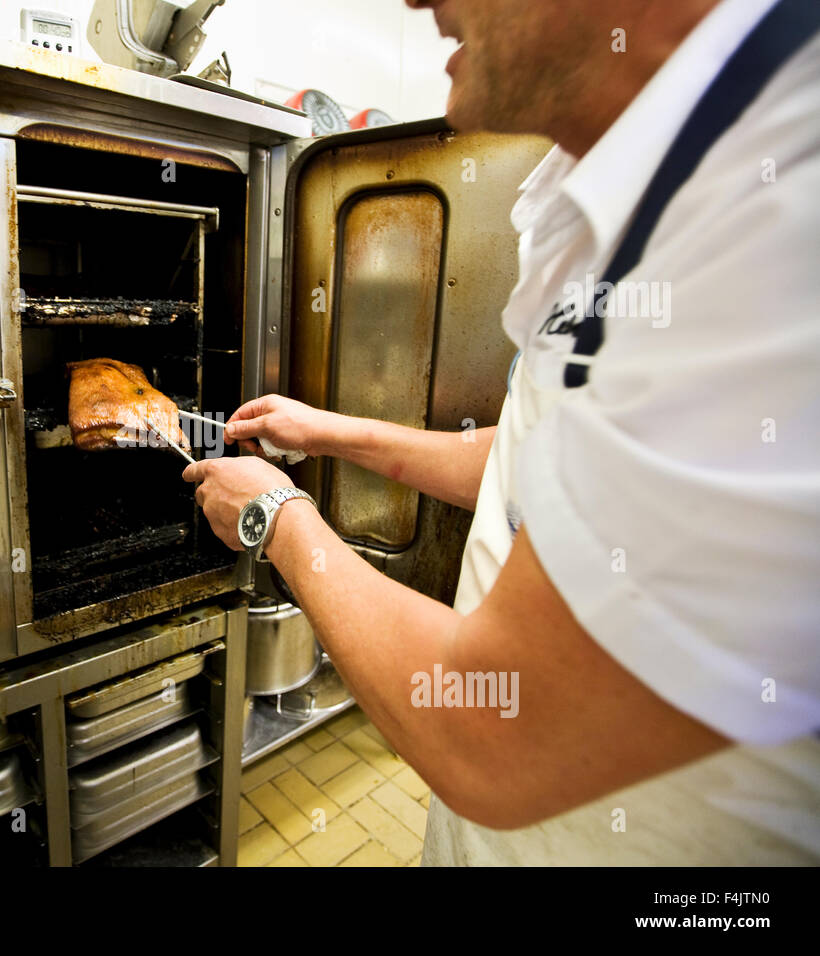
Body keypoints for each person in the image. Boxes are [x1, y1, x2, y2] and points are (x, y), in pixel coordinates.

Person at [183, 0, 820, 864]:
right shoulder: (625, 189)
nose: (415, 2)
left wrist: (280, 517)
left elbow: (493, 721)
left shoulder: (770, 214)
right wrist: (332, 432)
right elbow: (539, 465)